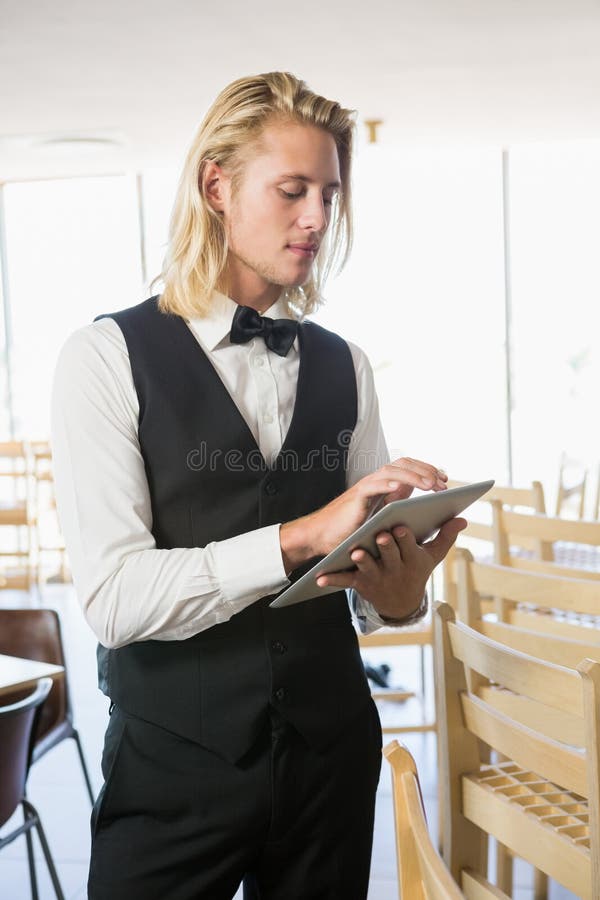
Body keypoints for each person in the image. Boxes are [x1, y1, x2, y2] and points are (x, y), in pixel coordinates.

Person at [51, 71, 465, 900]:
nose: (316, 217)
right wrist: (300, 536)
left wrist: (400, 593)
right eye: (291, 190)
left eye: (328, 193)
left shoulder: (346, 365)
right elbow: (113, 598)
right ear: (217, 186)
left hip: (329, 761)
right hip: (173, 772)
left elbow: (359, 593)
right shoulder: (101, 358)